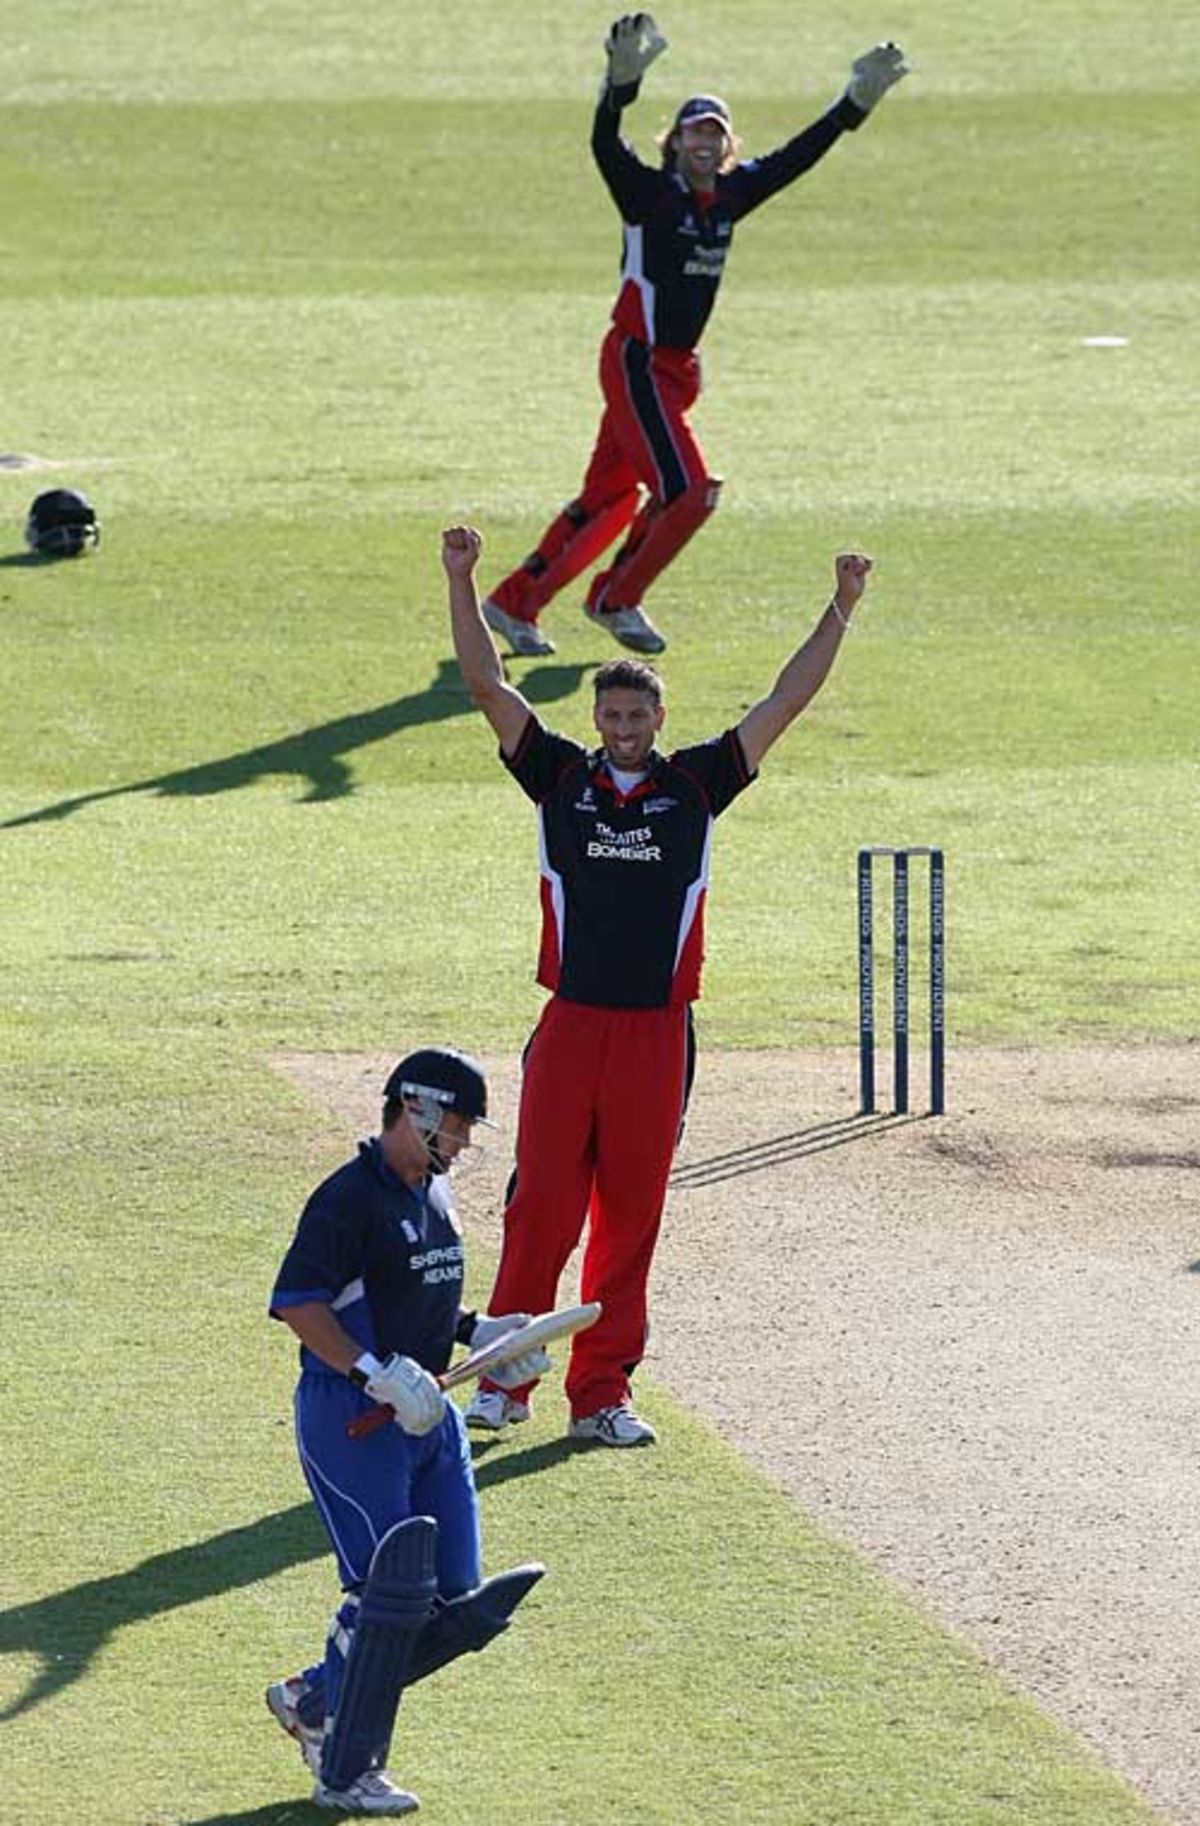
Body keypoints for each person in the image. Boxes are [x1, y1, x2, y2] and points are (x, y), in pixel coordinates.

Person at [444, 523, 874, 1446]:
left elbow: (785, 700)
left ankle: (602, 1394)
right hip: (570, 1026)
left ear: (658, 721)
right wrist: (464, 576)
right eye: (612, 718)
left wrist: (840, 607)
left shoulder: (697, 786)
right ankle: (503, 1384)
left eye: (637, 718)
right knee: (540, 1209)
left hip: (656, 1035)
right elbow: (488, 685)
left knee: (630, 1217)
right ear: (597, 721)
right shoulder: (560, 778)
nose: (624, 731)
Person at [479, 15, 906, 660]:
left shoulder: (731, 197)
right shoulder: (648, 195)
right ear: (674, 142)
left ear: (727, 147)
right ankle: (614, 599)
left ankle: (514, 602)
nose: (703, 142)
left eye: (715, 133)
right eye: (692, 132)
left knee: (612, 496)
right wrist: (618, 87)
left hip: (675, 374)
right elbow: (604, 146)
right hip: (635, 362)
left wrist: (853, 106)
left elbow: (796, 158)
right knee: (688, 490)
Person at [265, 1046, 552, 1816]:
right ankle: (344, 1770)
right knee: (387, 1597)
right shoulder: (346, 1200)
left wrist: (483, 1333)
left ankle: (313, 1697)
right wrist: (375, 1375)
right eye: (456, 1126)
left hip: (430, 1417)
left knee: (452, 1603)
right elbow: (299, 1303)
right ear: (415, 1107)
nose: (462, 1143)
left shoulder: (433, 1192)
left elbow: (413, 1302)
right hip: (353, 1421)